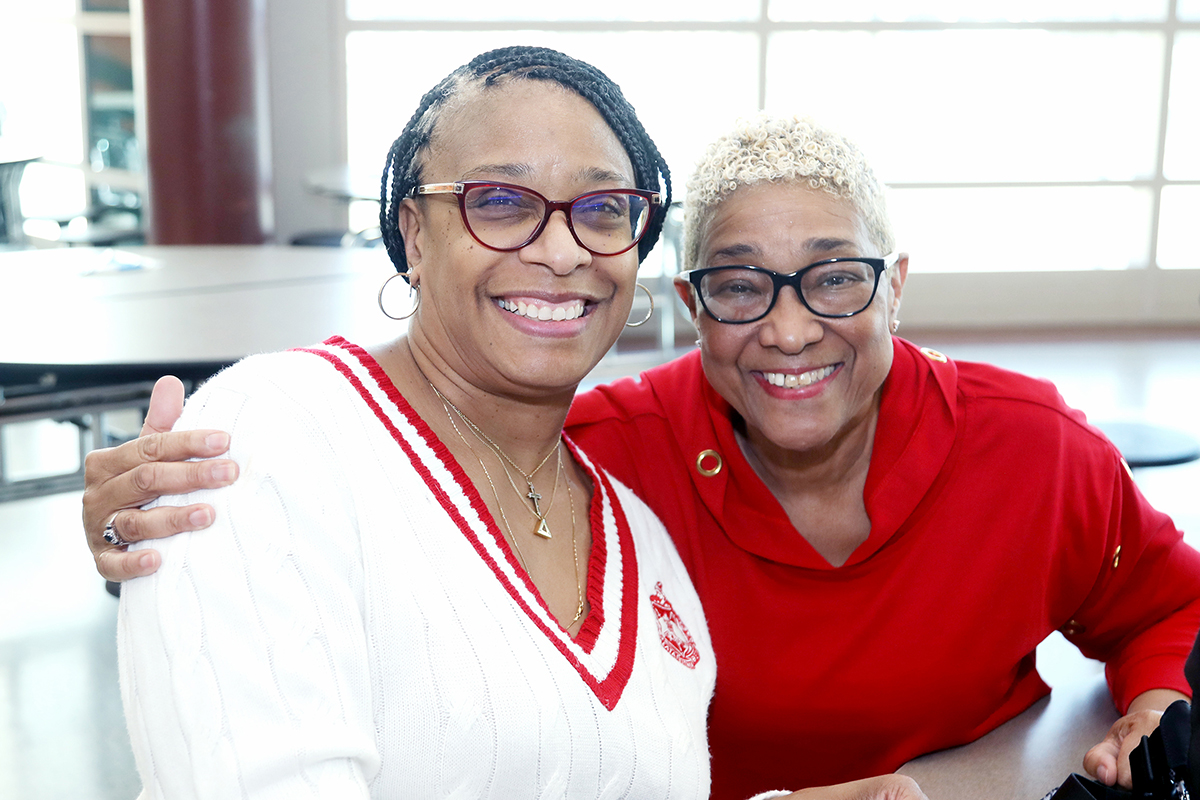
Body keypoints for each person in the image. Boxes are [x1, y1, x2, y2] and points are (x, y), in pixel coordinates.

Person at [85, 108, 1199, 798]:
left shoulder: (1035, 449)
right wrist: (162, 525)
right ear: (690, 302)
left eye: (837, 275)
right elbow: (395, 485)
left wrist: (1157, 699)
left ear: (896, 284)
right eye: (740, 283)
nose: (792, 326)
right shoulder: (602, 461)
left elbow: (1165, 603)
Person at [102, 46, 925, 800]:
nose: (563, 250)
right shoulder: (267, 441)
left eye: (603, 208)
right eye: (501, 201)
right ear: (415, 234)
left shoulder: (641, 535)